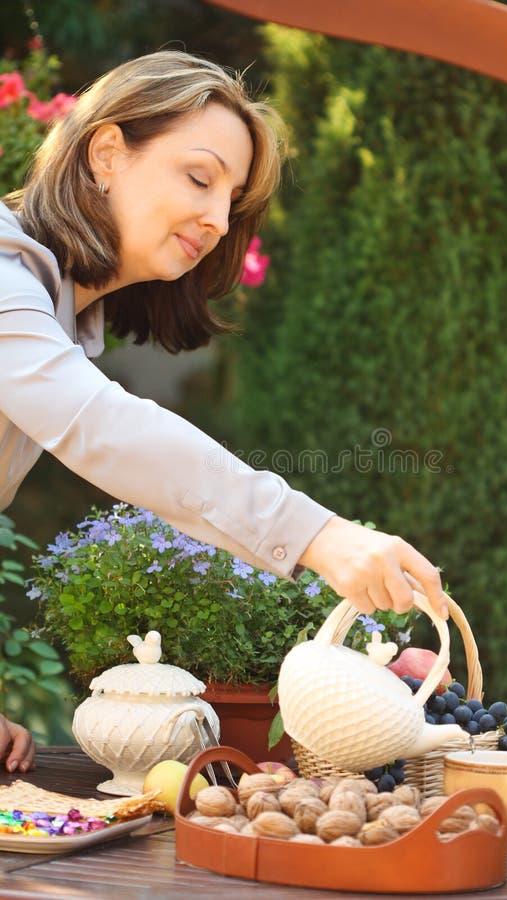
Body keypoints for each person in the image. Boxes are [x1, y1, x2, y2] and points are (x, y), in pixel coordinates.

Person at [1, 51, 447, 642]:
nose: (217, 220)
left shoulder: (57, 315)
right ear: (105, 152)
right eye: (198, 178)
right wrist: (319, 535)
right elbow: (99, 424)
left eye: (231, 202)